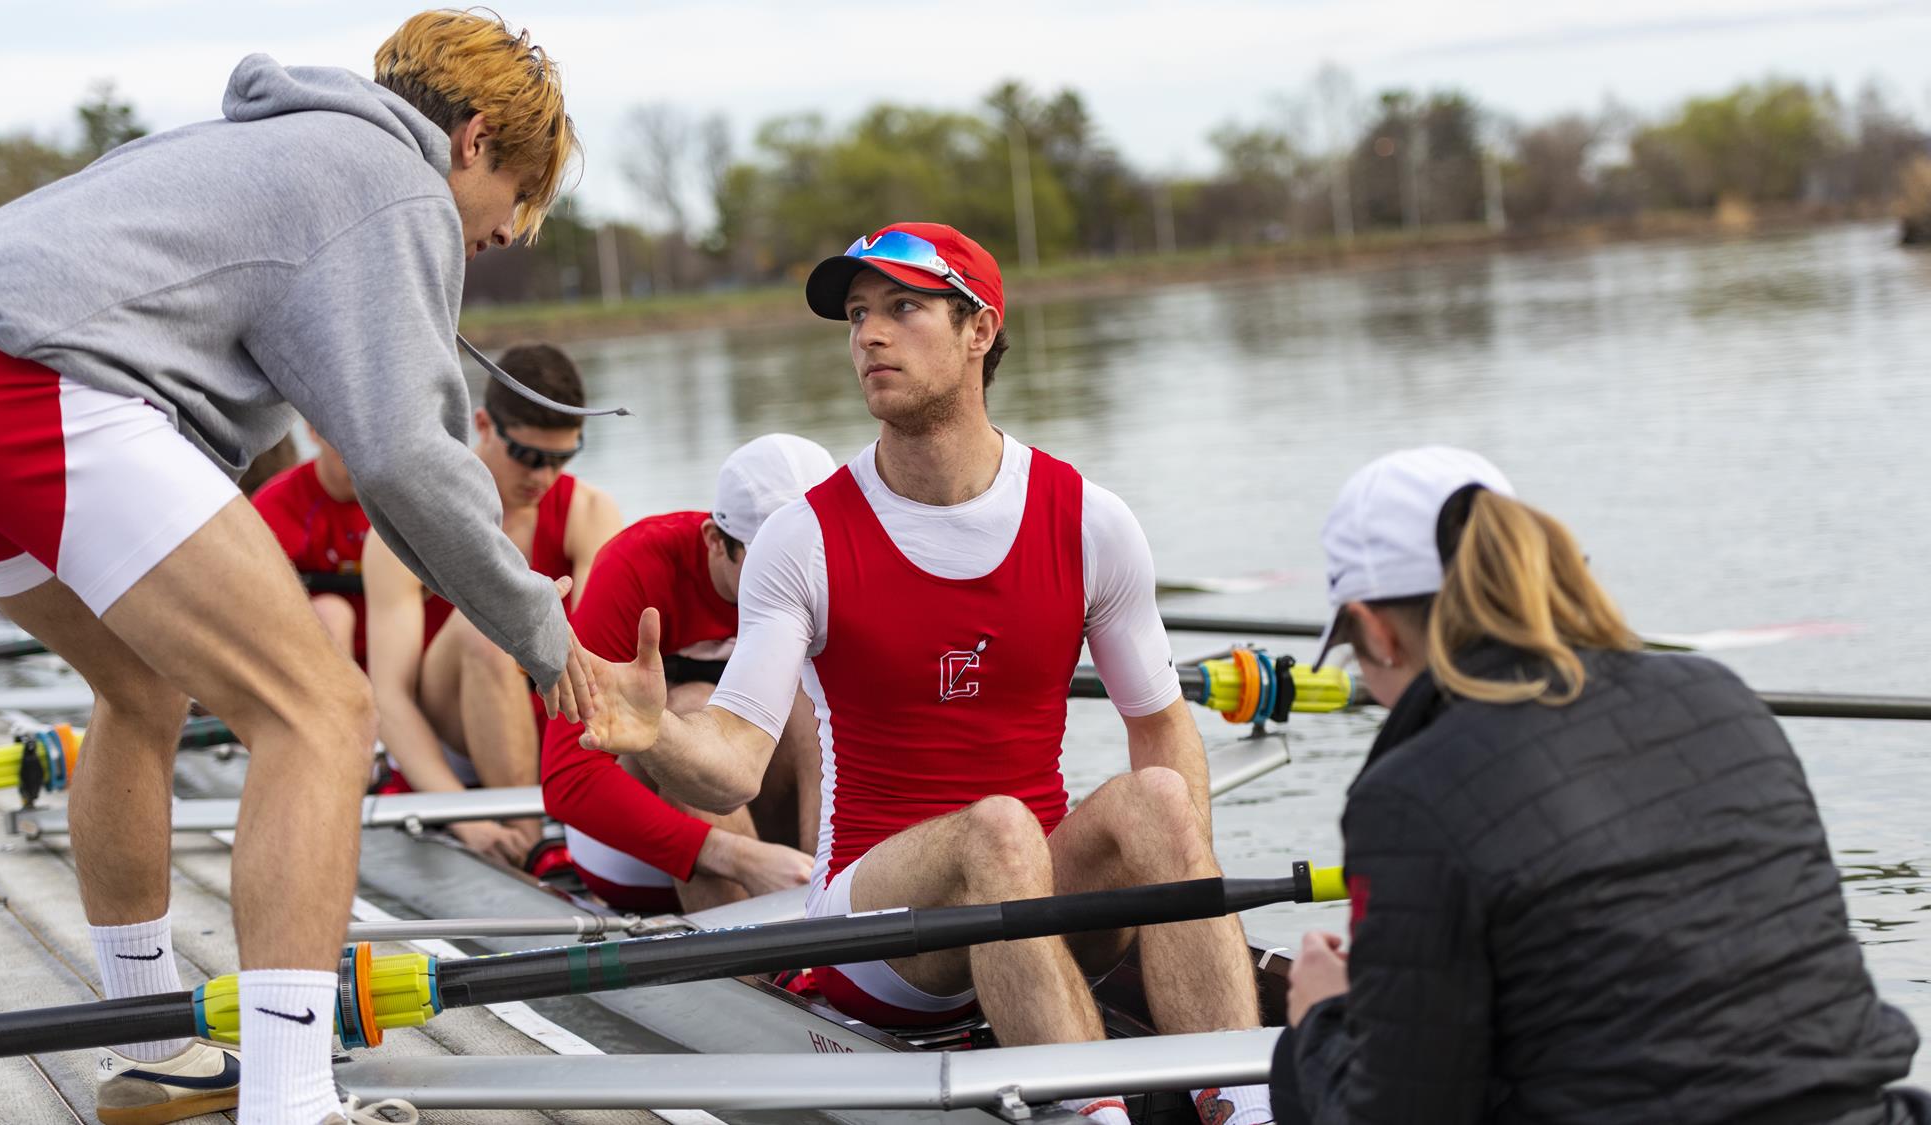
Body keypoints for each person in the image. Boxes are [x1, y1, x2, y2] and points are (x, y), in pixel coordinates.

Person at [0, 11, 598, 1124]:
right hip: (32, 384)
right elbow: (405, 458)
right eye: (516, 197)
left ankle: (152, 1048)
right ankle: (292, 1101)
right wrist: (543, 632)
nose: (505, 232)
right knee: (323, 713)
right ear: (475, 138)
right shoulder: (393, 182)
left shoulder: (266, 142)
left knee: (142, 687)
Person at [577, 222, 1277, 1125]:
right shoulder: (804, 537)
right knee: (999, 831)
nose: (869, 334)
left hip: (1039, 892)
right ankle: (1093, 1111)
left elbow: (1161, 723)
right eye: (858, 314)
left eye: (903, 307)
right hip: (876, 933)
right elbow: (736, 761)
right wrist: (658, 734)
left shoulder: (1090, 519)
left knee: (1160, 799)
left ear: (980, 329)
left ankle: (1245, 1100)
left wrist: (1184, 898)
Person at [1271, 447, 1929, 1125]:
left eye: (1353, 648)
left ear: (1376, 631)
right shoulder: (1722, 694)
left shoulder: (1407, 794)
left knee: (1298, 1065)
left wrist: (1324, 1014)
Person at [542, 433, 831, 912]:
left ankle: (830, 899)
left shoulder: (845, 568)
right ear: (716, 541)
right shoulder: (636, 567)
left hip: (775, 834)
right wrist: (737, 857)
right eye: (770, 558)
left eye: (810, 556)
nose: (795, 578)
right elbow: (567, 781)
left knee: (818, 696)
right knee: (692, 706)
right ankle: (755, 941)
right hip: (639, 856)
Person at [363, 343, 621, 867]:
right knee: (488, 630)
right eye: (528, 457)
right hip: (453, 732)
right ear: (482, 424)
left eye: (562, 459)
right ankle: (531, 842)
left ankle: (558, 820)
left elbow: (601, 662)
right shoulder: (413, 520)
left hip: (554, 731)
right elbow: (389, 696)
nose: (543, 478)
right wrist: (464, 818)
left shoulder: (590, 512)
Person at [252, 428, 371, 662]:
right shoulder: (275, 506)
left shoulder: (418, 498)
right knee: (332, 614)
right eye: (350, 437)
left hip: (417, 662)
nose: (363, 454)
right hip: (318, 663)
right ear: (313, 429)